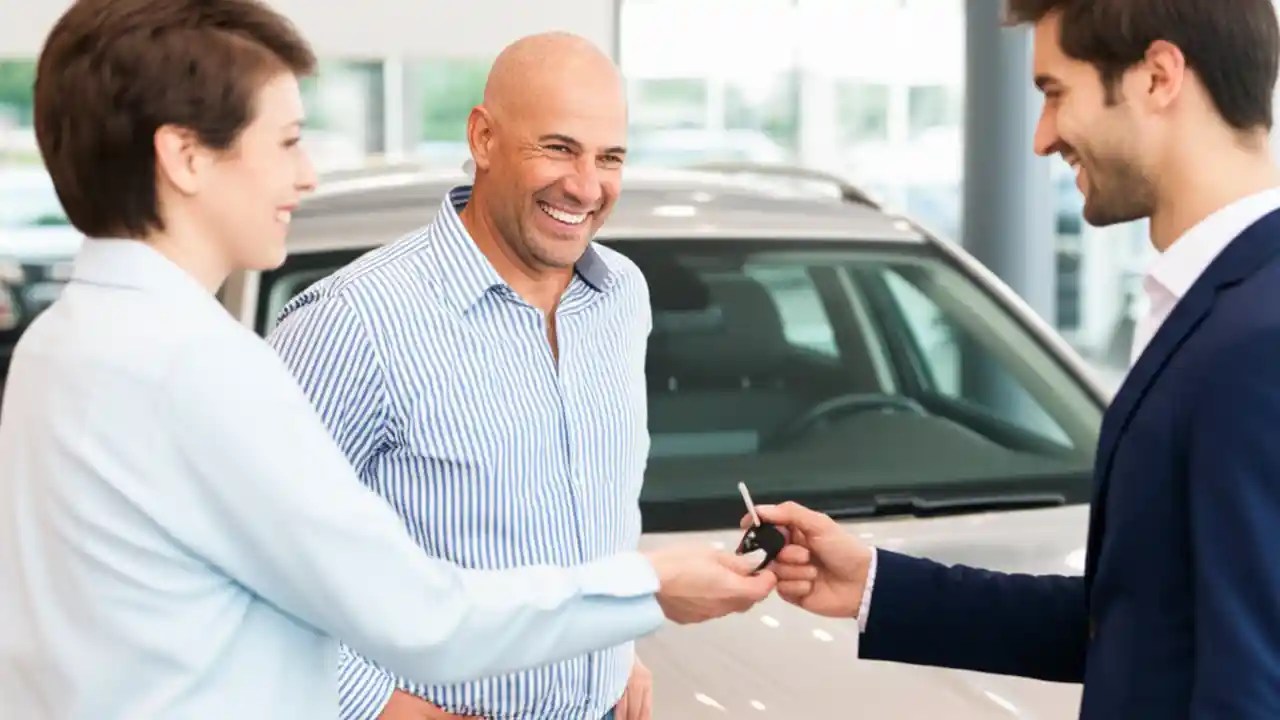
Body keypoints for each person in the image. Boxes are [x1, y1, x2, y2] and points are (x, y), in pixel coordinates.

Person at [0, 2, 778, 717]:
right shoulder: (201, 366)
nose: (306, 174)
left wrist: (605, 655)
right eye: (288, 141)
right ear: (185, 157)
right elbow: (418, 615)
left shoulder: (58, 344)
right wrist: (649, 587)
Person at [750, 0, 1280, 718]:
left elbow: (1253, 684)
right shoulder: (1221, 305)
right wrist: (875, 583)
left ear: (1158, 77)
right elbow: (1136, 619)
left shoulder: (1254, 340)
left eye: (1056, 92)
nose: (1041, 138)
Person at [266, 31, 671, 720]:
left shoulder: (623, 296)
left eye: (610, 158)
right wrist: (387, 710)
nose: (585, 186)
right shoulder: (353, 322)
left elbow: (585, 516)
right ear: (483, 138)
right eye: (559, 148)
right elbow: (260, 564)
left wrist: (615, 647)